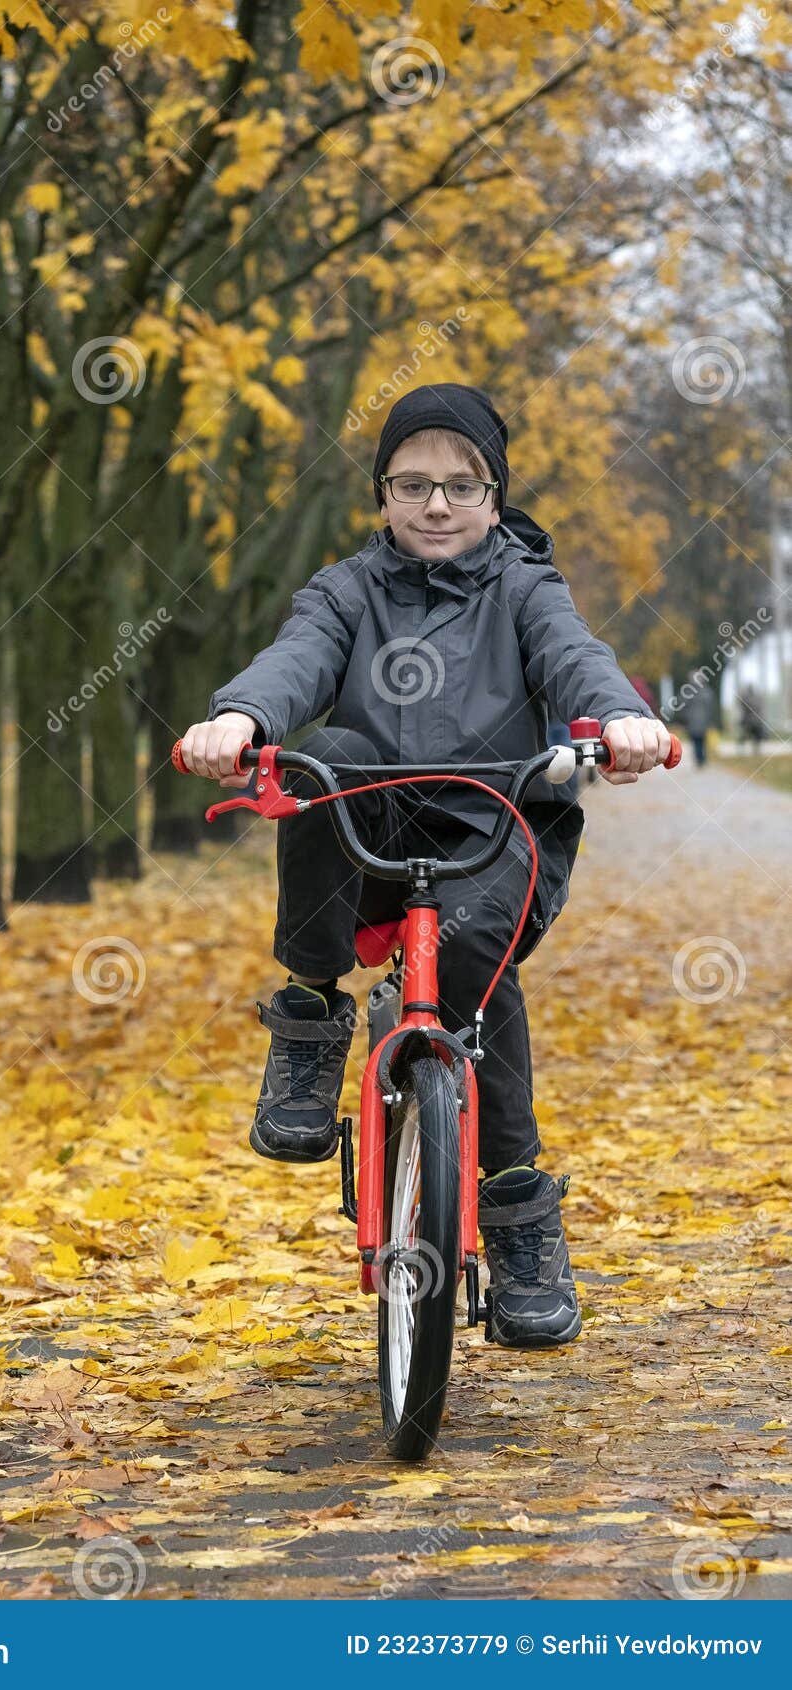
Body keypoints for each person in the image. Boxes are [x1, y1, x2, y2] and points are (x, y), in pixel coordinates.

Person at [177, 384, 671, 1349]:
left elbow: (575, 656)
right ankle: (310, 1020)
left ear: (493, 497)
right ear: (382, 495)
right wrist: (241, 718)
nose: (436, 506)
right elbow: (298, 661)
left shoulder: (527, 587)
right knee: (327, 757)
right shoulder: (343, 590)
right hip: (371, 819)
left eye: (459, 486)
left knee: (474, 973)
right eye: (413, 485)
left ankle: (520, 1214)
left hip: (498, 818)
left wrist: (617, 721)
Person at [677, 675, 715, 766]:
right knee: (702, 740)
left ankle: (699, 759)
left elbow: (682, 704)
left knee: (695, 741)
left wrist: (684, 718)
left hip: (692, 721)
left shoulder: (688, 691)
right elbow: (710, 706)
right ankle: (702, 758)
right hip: (703, 721)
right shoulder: (706, 691)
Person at [737, 684, 766, 752]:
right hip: (750, 720)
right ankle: (742, 748)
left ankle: (755, 748)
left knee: (755, 735)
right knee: (744, 734)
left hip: (753, 721)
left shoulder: (752, 698)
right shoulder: (753, 698)